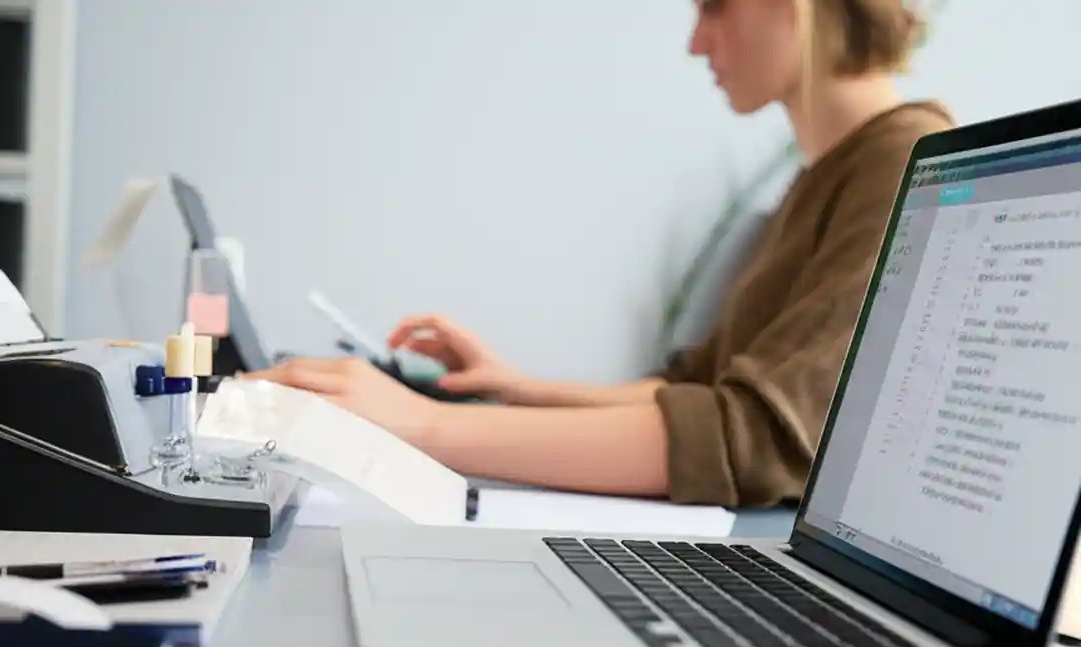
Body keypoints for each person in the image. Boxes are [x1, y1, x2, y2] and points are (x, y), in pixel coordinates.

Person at [246, 0, 954, 507]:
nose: (696, 42)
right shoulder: (826, 174)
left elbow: (749, 437)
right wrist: (521, 388)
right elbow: (701, 386)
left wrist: (422, 425)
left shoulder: (900, 163)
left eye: (713, 7)